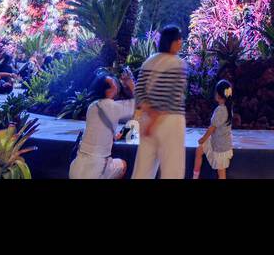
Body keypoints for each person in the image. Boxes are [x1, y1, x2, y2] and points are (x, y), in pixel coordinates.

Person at [133, 24, 189, 179]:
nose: (181, 42)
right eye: (179, 39)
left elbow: (138, 91)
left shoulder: (149, 62)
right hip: (170, 121)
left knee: (142, 171)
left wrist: (148, 116)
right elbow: (169, 96)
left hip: (146, 120)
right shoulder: (178, 64)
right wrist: (154, 120)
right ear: (173, 42)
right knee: (172, 170)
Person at [69, 69, 136, 179]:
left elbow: (100, 128)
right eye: (112, 84)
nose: (116, 84)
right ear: (108, 90)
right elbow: (139, 105)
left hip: (75, 169)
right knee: (123, 164)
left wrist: (115, 136)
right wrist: (131, 84)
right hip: (96, 171)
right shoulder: (112, 107)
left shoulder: (92, 106)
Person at [193, 79, 234, 180]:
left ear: (219, 94)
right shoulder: (227, 108)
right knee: (199, 150)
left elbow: (212, 128)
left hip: (220, 146)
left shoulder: (221, 110)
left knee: (221, 173)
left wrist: (203, 138)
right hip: (216, 141)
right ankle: (195, 176)